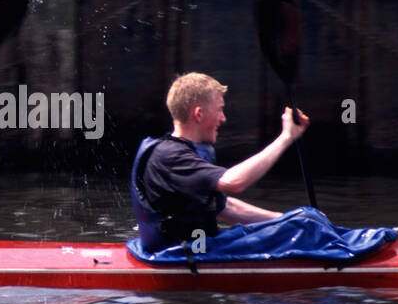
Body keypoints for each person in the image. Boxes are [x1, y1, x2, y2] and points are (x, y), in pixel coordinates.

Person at [131, 72, 310, 251]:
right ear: (199, 114)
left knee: (298, 228)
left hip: (196, 248)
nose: (223, 118)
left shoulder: (184, 153)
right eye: (219, 110)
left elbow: (226, 207)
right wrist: (286, 137)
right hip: (180, 256)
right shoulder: (171, 157)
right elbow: (234, 182)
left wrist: (287, 219)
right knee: (298, 241)